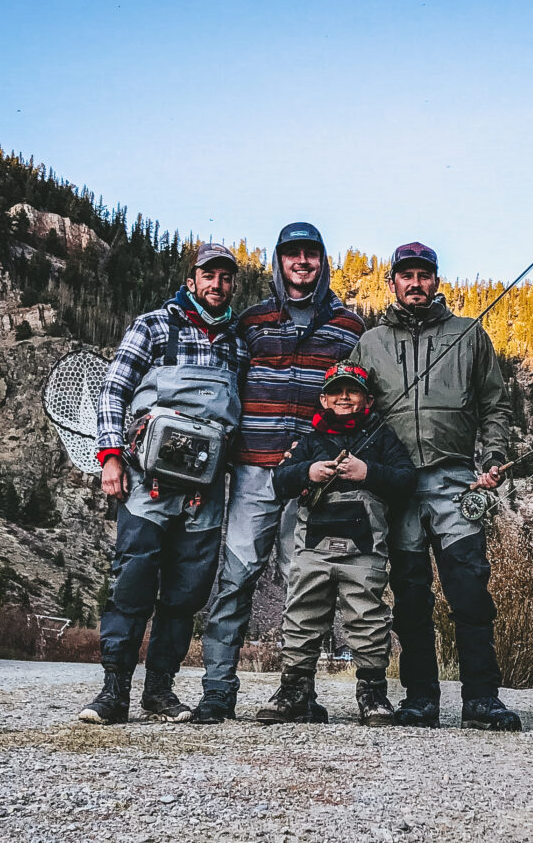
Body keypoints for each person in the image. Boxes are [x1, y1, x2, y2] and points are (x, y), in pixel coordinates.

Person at [192, 222, 365, 724]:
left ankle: (298, 693)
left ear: (323, 261)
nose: (302, 262)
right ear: (279, 262)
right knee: (236, 578)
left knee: (304, 584)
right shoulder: (250, 322)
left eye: (311, 253)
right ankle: (217, 690)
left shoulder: (348, 328)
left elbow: (356, 401)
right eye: (293, 254)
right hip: (253, 474)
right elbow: (223, 382)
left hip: (316, 480)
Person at [347, 241, 522, 730]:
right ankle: (420, 699)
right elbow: (354, 414)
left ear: (437, 281)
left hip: (455, 480)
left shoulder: (469, 334)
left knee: (469, 591)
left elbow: (495, 406)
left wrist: (492, 460)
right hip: (396, 488)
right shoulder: (370, 343)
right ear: (393, 283)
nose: (416, 283)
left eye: (425, 274)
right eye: (407, 275)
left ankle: (482, 699)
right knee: (409, 597)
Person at [80, 242, 248, 725]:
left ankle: (160, 693)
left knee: (185, 595)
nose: (216, 285)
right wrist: (111, 457)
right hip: (145, 485)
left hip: (205, 491)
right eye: (208, 276)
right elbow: (113, 389)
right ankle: (113, 693)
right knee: (131, 583)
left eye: (225, 277)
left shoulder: (238, 344)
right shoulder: (154, 325)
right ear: (192, 280)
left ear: (232, 284)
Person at [256, 363, 416, 725]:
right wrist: (307, 472)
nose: (344, 397)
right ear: (324, 399)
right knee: (302, 614)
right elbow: (280, 481)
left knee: (368, 618)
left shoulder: (383, 436)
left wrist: (368, 473)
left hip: (364, 550)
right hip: (313, 546)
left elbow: (407, 480)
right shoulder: (309, 442)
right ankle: (294, 691)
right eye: (337, 391)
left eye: (353, 391)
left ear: (367, 399)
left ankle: (373, 694)